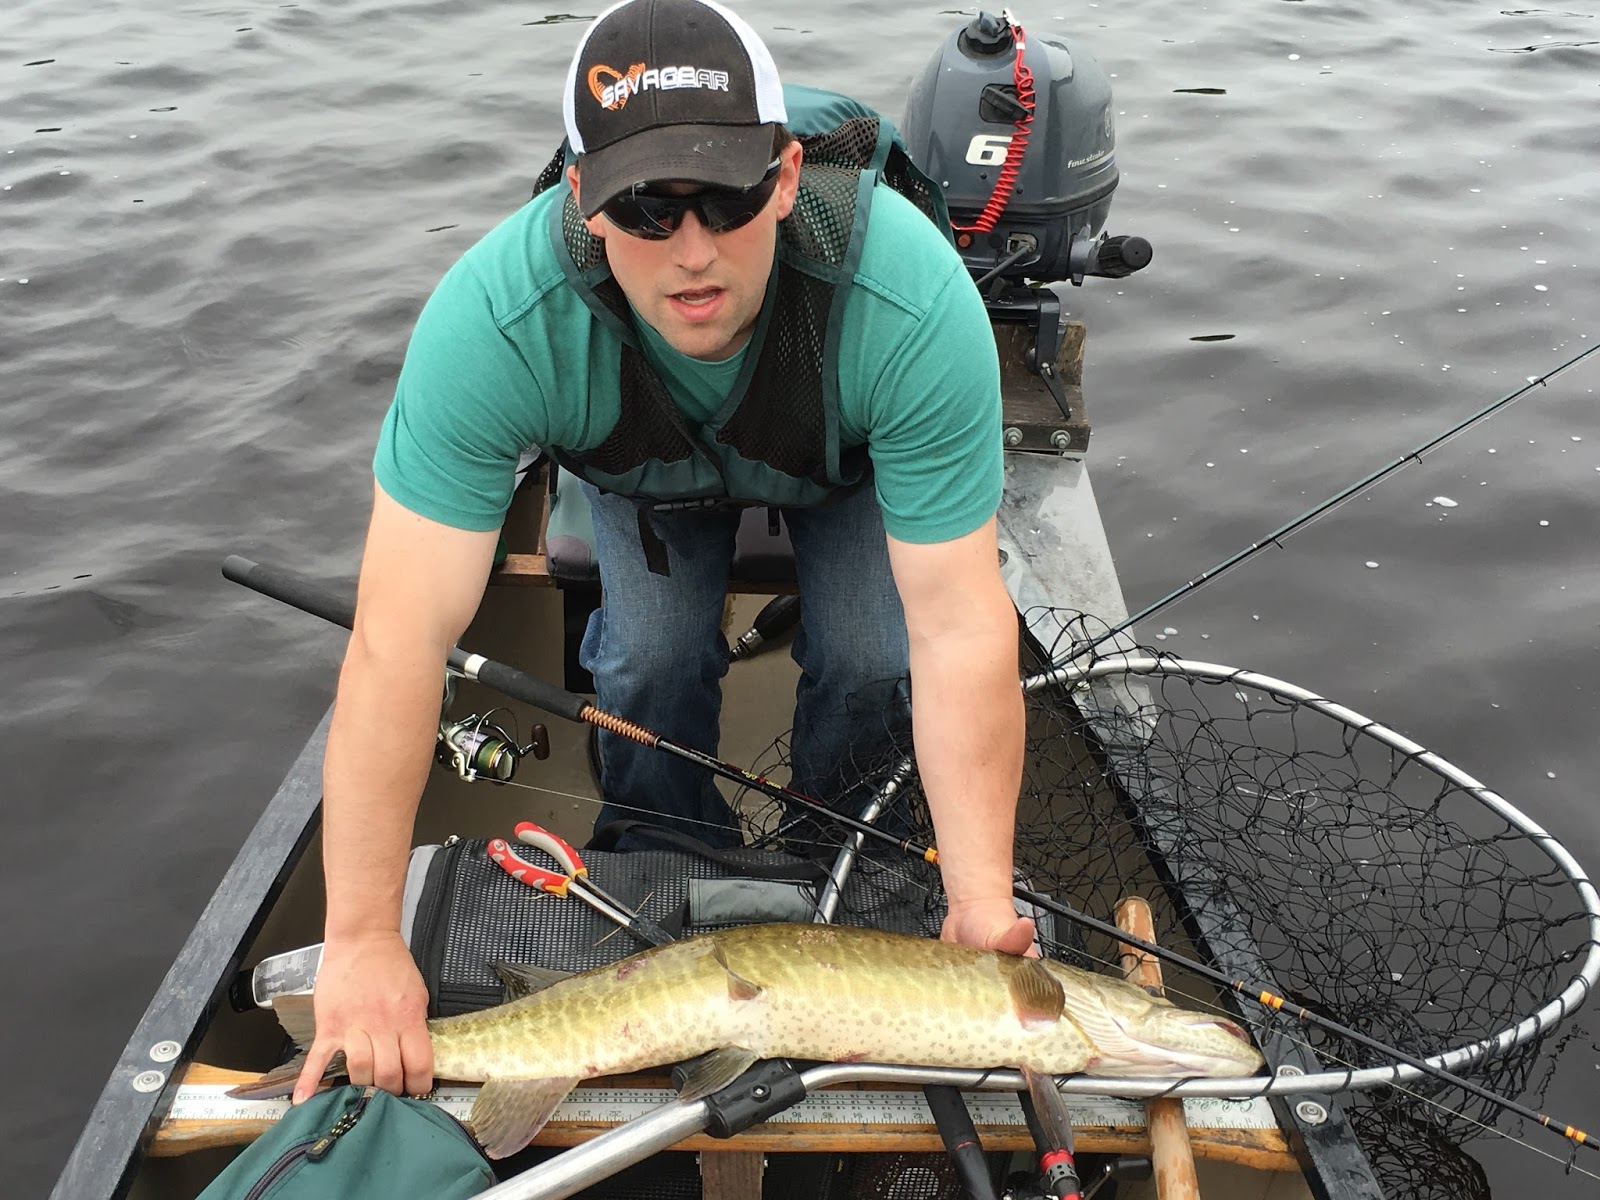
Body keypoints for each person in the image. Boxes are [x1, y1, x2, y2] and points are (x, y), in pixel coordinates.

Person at [294, 0, 1029, 1105]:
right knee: (645, 662)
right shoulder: (497, 322)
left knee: (880, 658)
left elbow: (962, 626)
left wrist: (977, 898)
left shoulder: (908, 297)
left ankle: (844, 856)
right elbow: (398, 644)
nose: (692, 254)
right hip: (645, 472)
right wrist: (356, 938)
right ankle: (659, 868)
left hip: (845, 463)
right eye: (645, 207)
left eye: (728, 200)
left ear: (785, 178)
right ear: (583, 202)